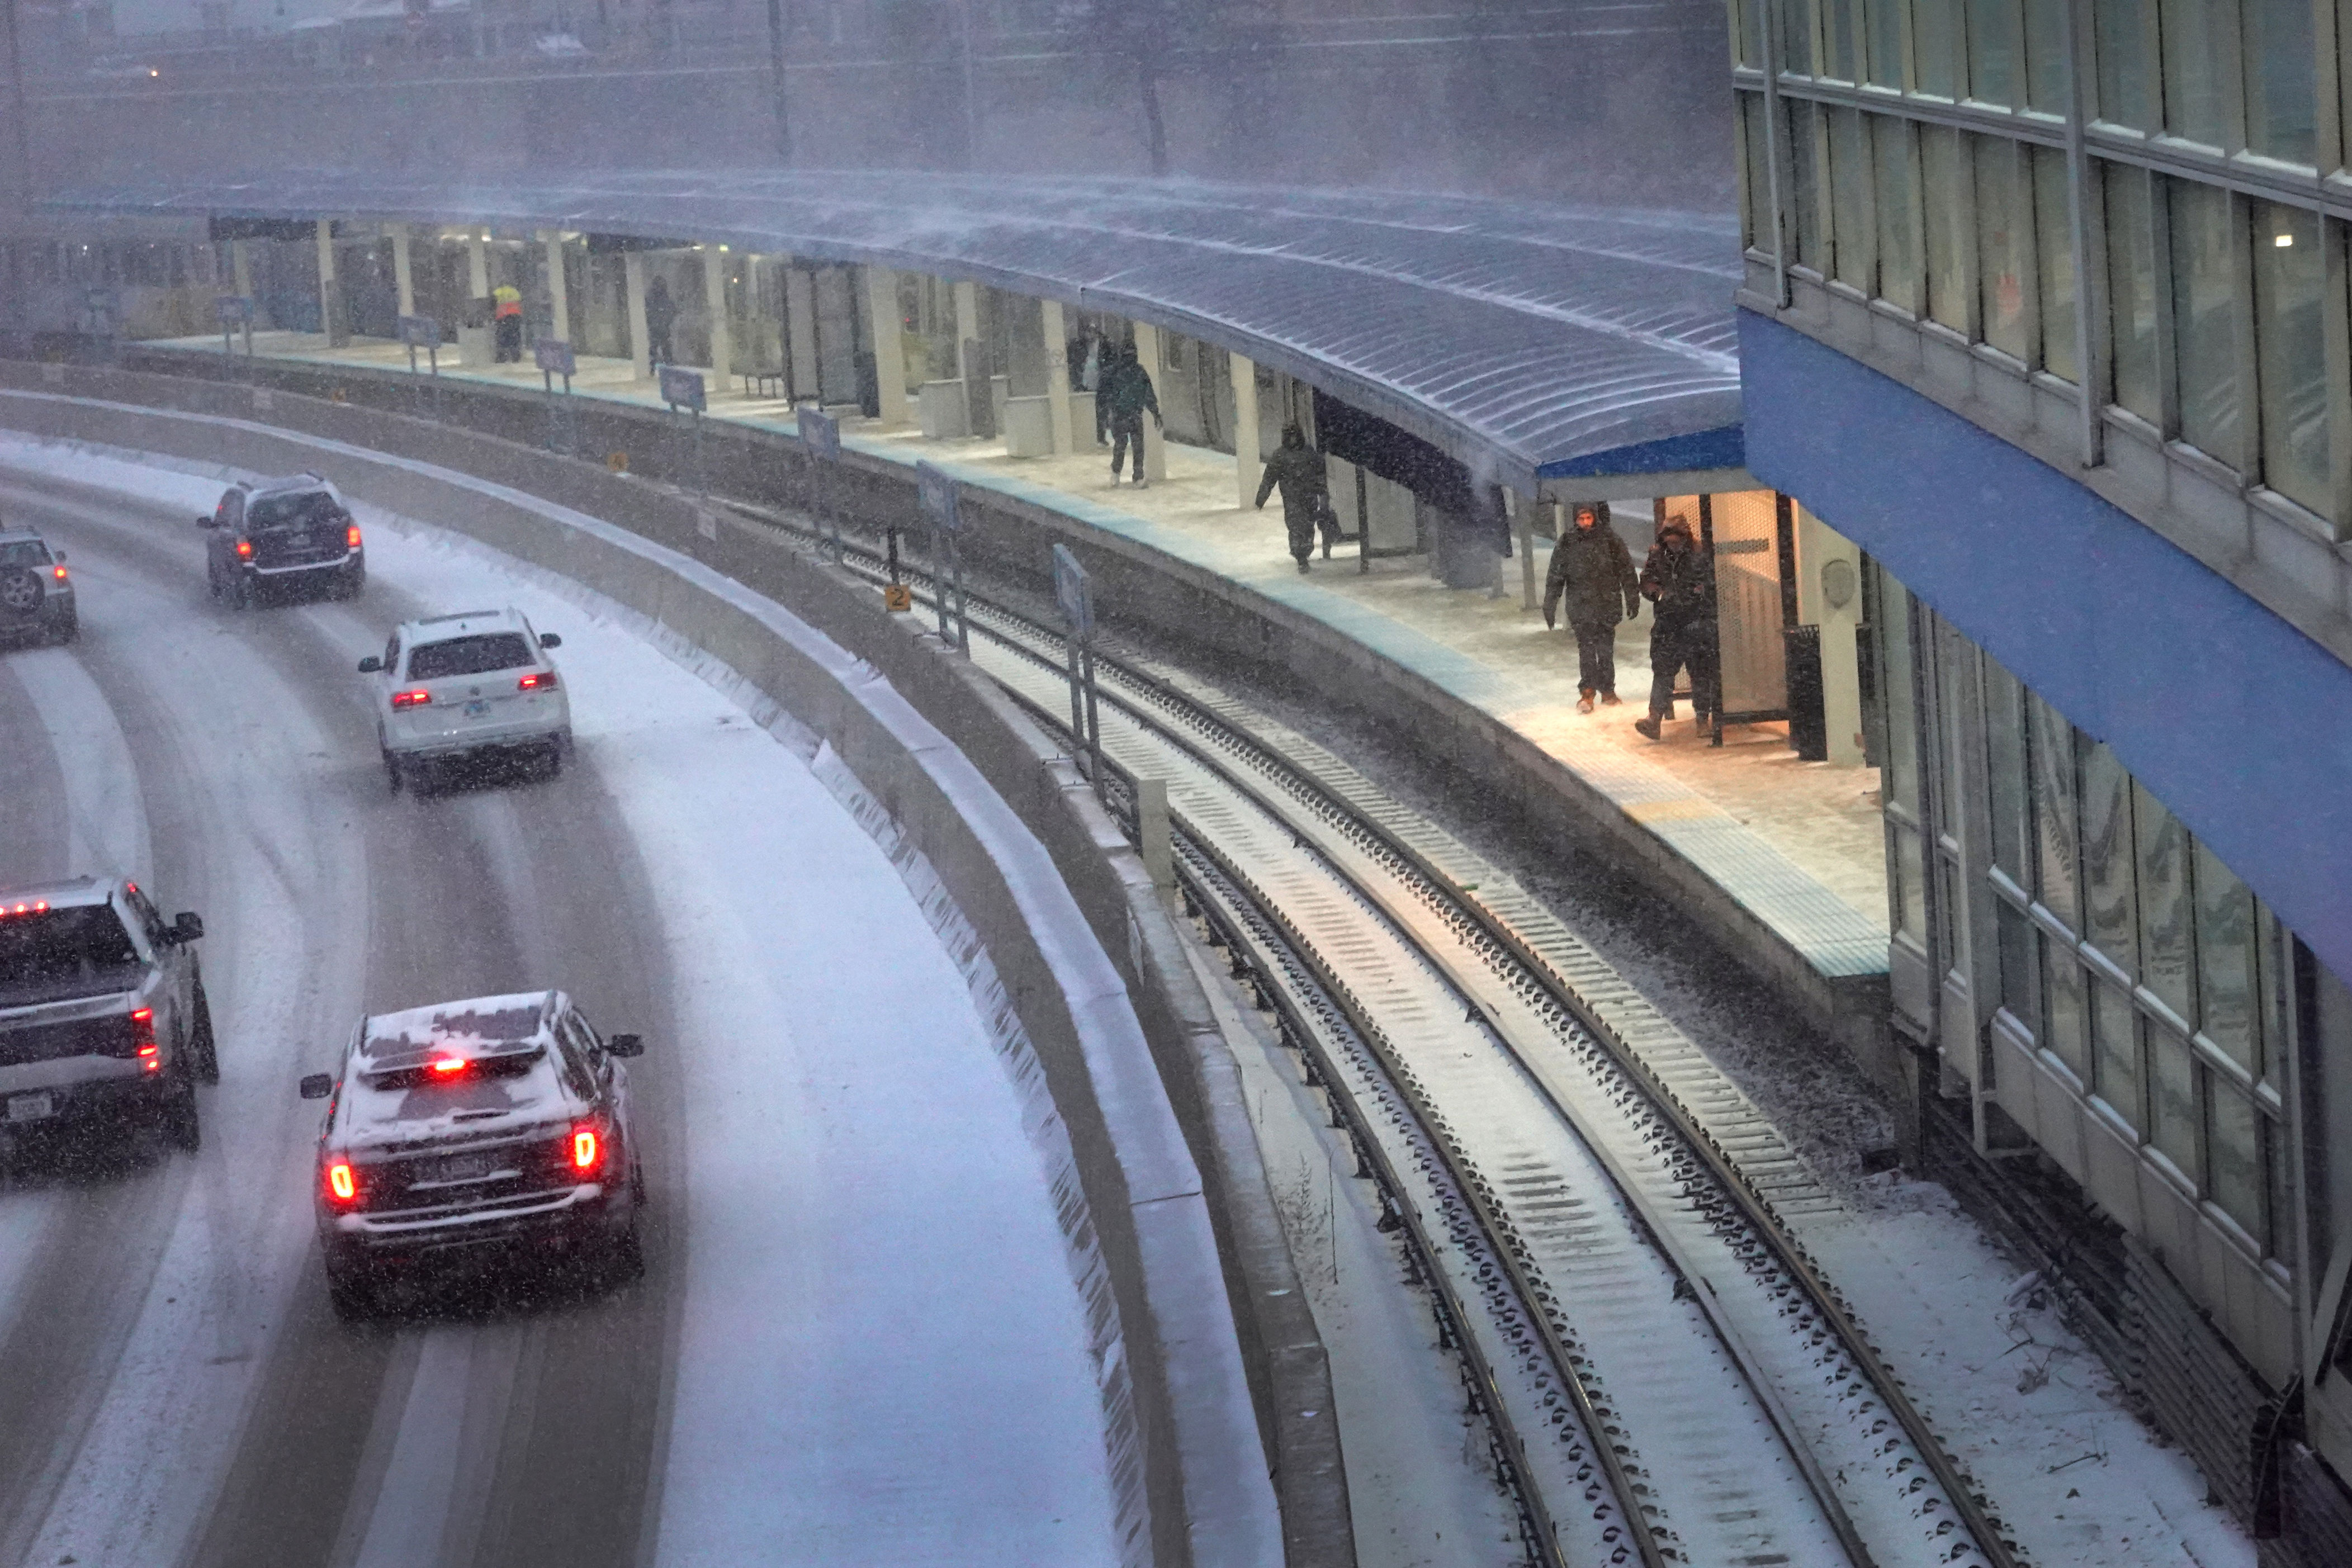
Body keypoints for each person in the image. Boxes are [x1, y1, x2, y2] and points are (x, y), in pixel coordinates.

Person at [1541, 500, 1639, 711]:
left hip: (1606, 603)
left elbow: (1626, 570)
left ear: (1595, 518)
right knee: (1586, 649)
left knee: (1605, 650)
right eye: (1581, 519)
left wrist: (1633, 597)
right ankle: (1588, 692)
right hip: (1582, 605)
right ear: (1575, 519)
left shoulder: (1610, 540)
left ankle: (1607, 690)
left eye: (1588, 518)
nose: (1585, 523)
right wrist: (1550, 603)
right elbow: (1556, 576)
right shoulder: (1568, 542)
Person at [1633, 513, 1719, 740]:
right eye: (1669, 539)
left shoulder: (1698, 554)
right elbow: (1647, 582)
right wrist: (1660, 596)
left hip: (1692, 621)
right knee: (1664, 672)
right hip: (1670, 622)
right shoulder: (1659, 555)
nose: (1673, 543)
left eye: (1676, 538)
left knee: (1699, 673)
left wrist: (1691, 596)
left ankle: (1701, 719)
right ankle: (1655, 719)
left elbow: (1709, 583)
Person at [1254, 424, 1334, 572]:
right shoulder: (1302, 453)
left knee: (1305, 526)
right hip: (1296, 498)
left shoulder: (1285, 455)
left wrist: (1261, 499)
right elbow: (1269, 479)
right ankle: (1301, 556)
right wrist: (1261, 498)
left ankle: (1303, 554)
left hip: (1304, 497)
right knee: (1298, 526)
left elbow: (1269, 478)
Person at [1101, 341, 1161, 488]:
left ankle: (1117, 474)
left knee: (1121, 445)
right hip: (1133, 414)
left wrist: (1105, 413)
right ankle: (1137, 477)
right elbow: (1149, 394)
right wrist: (1155, 413)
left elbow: (1104, 395)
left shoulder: (1114, 371)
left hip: (1121, 415)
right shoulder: (1139, 371)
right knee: (1137, 446)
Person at [643, 276, 676, 368]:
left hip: (658, 327)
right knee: (664, 349)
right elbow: (672, 310)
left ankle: (652, 367)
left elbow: (672, 311)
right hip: (661, 327)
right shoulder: (663, 298)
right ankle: (667, 367)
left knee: (657, 349)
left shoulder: (651, 298)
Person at [491, 282, 524, 364]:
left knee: (502, 338)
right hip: (515, 316)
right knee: (515, 337)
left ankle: (502, 357)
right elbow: (519, 301)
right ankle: (516, 357)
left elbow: (492, 304)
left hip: (503, 317)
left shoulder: (498, 292)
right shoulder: (514, 291)